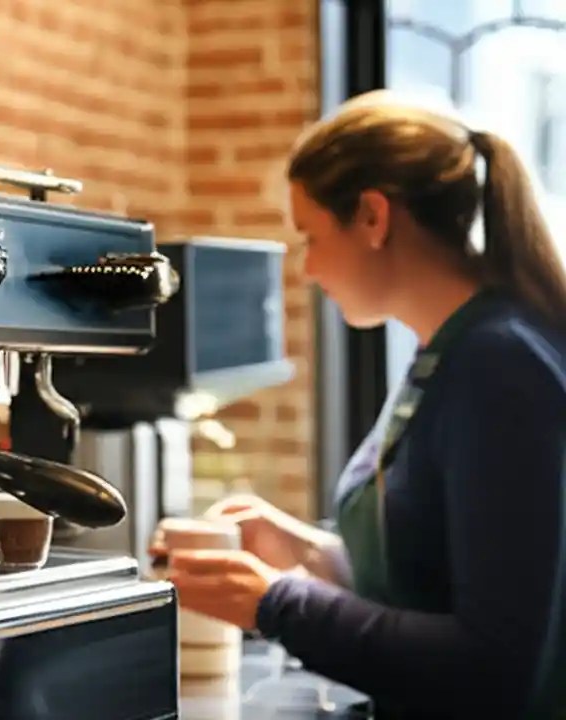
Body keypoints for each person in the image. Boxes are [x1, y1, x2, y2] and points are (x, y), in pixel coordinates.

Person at [152, 90, 566, 720]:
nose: (308, 269)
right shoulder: (449, 350)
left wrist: (277, 602)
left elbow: (494, 667)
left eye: (311, 236)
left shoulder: (498, 365)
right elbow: (440, 570)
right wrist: (305, 550)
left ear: (373, 217)